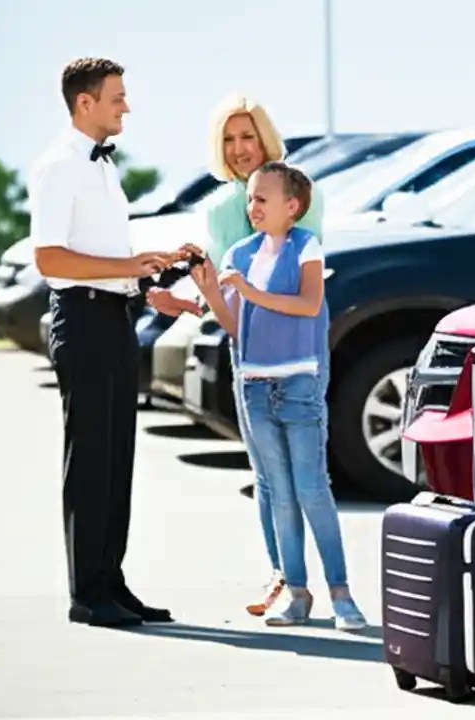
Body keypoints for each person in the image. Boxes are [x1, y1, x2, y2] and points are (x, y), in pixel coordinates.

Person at [31, 57, 202, 627]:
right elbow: (50, 259)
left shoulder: (102, 167)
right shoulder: (59, 166)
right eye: (117, 97)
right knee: (90, 461)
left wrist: (152, 281)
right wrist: (127, 263)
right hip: (80, 323)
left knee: (117, 461)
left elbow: (102, 260)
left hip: (113, 319)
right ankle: (87, 593)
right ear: (85, 103)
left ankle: (111, 580)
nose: (126, 106)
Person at [190, 161, 366, 631]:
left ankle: (342, 593)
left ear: (293, 207)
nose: (253, 207)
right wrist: (210, 291)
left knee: (312, 490)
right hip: (254, 388)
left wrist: (247, 290)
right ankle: (298, 594)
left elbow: (307, 305)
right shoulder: (238, 255)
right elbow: (233, 327)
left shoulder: (306, 248)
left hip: (299, 387)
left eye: (262, 198)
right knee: (282, 497)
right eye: (250, 198)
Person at [198, 93, 326, 618]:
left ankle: (325, 583)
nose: (238, 148)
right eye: (228, 139)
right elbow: (228, 296)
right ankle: (285, 580)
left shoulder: (303, 196)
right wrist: (188, 300)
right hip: (245, 353)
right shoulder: (219, 209)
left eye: (247, 136)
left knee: (308, 478)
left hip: (299, 351)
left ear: (266, 138)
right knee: (267, 477)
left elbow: (302, 282)